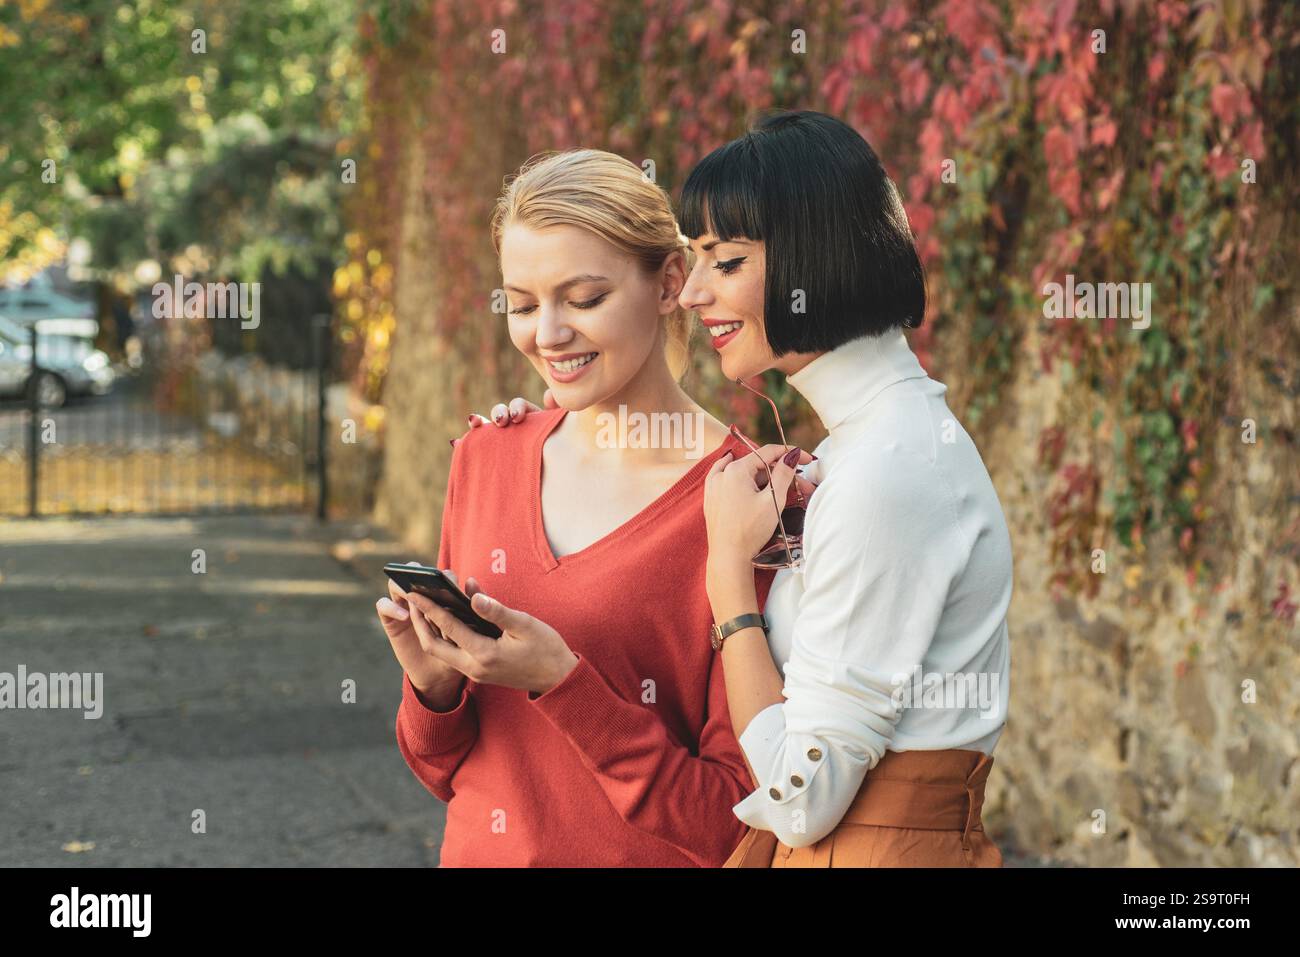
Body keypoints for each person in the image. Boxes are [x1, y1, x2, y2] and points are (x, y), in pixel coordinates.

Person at [479, 110, 1013, 868]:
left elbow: (801, 798)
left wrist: (728, 572)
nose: (692, 294)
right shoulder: (871, 448)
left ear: (812, 255)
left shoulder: (888, 471)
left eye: (724, 262)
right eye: (695, 261)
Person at [376, 148, 790, 866]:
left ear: (667, 283)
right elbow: (442, 769)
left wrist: (563, 684)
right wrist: (434, 686)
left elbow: (740, 824)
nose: (548, 334)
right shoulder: (484, 457)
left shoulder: (749, 500)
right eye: (524, 303)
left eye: (585, 299)